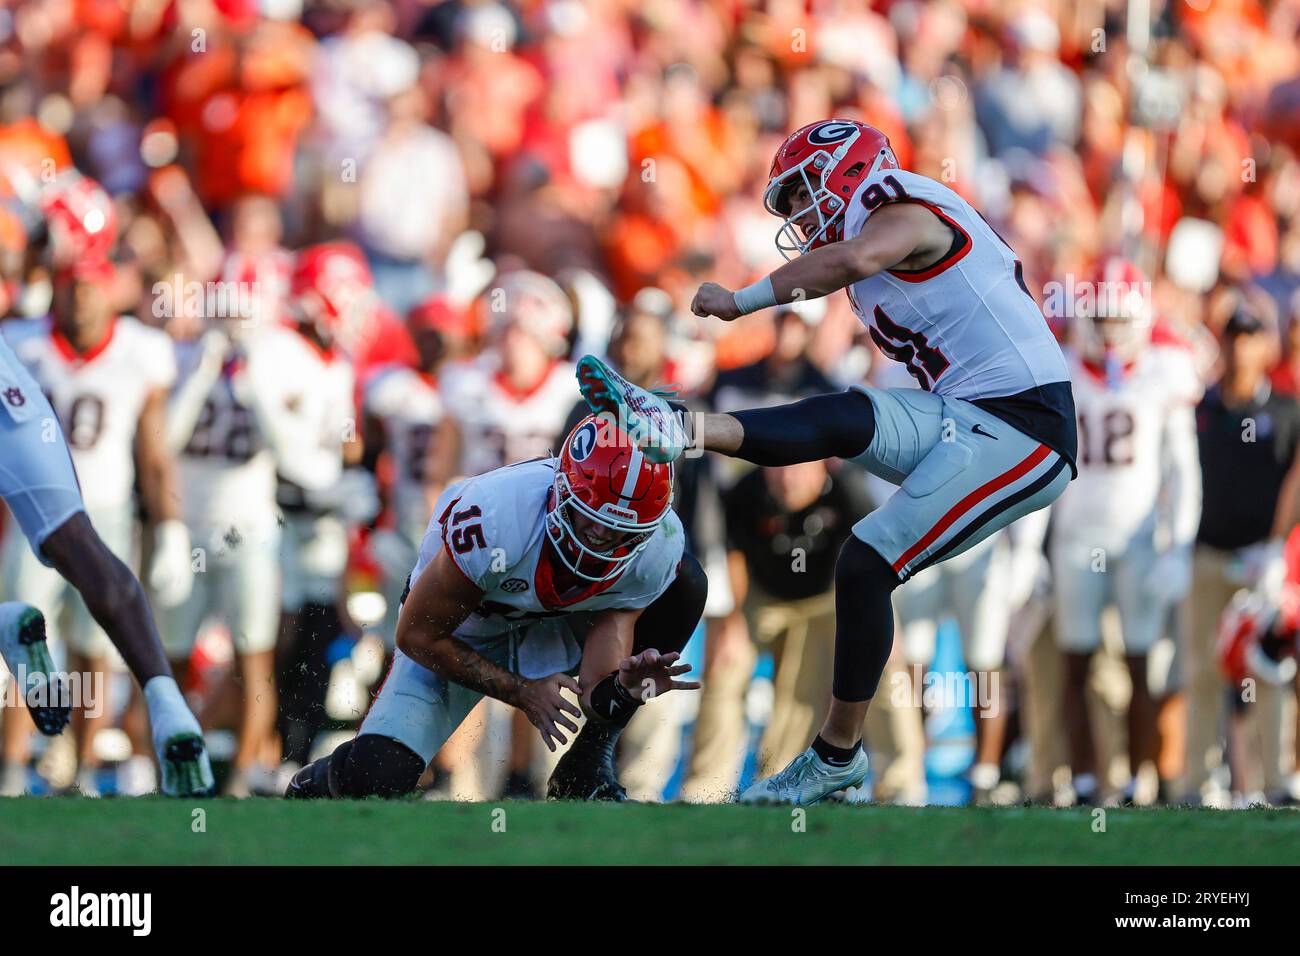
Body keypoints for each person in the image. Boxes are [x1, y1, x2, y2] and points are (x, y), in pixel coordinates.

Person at [577, 119, 1076, 804]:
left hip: (1028, 427)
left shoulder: (903, 206)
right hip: (972, 415)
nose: (800, 215)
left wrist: (742, 300)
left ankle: (836, 756)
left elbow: (849, 262)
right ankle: (681, 427)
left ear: (849, 170)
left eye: (804, 193)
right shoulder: (876, 229)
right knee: (844, 414)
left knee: (866, 561)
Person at [285, 414, 707, 800]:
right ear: (562, 491)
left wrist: (621, 692)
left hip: (563, 624)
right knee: (378, 777)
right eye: (591, 517)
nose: (598, 538)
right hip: (463, 629)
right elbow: (416, 634)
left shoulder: (658, 547)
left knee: (687, 585)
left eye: (618, 531)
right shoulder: (496, 516)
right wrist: (519, 691)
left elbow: (596, 687)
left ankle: (586, 768)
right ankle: (314, 781)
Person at [0, 171, 212, 796]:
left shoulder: (70, 321)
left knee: (87, 565)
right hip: (14, 393)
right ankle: (168, 704)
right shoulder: (33, 329)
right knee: (86, 555)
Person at [1050, 258, 1202, 805]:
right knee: (1076, 661)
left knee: (1142, 662)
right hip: (1074, 536)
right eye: (1101, 318)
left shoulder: (1165, 369)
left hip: (1138, 542)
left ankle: (1143, 776)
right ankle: (1087, 777)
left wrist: (1178, 546)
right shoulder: (1062, 367)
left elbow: (1184, 471)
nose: (1110, 330)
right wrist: (1031, 546)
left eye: (1119, 319)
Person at [1185, 303, 1300, 806]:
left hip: (1261, 558)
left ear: (1267, 344)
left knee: (1269, 671)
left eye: (1251, 336)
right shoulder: (1202, 407)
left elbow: (1296, 476)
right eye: (1233, 336)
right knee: (1202, 669)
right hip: (1208, 554)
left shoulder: (1285, 411)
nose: (1240, 347)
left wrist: (1277, 544)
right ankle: (1194, 782)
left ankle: (1273, 781)